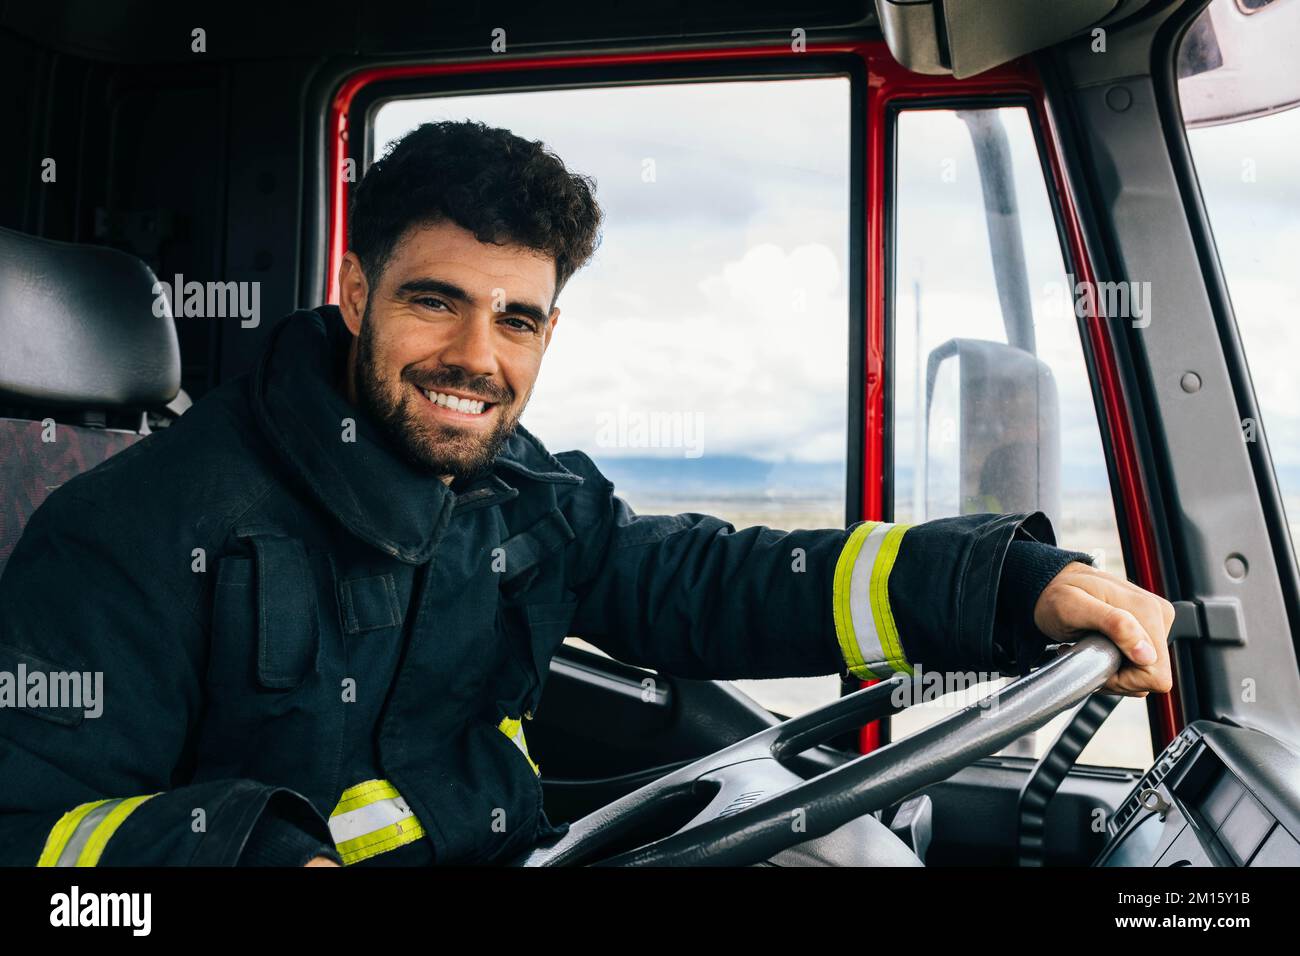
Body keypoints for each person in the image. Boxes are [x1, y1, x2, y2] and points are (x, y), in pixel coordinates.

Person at [0, 120, 1173, 867]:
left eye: (516, 318)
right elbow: (34, 846)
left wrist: (1014, 586)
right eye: (433, 300)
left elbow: (713, 577)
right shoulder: (129, 531)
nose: (476, 356)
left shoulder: (522, 492)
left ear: (550, 328)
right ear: (356, 291)